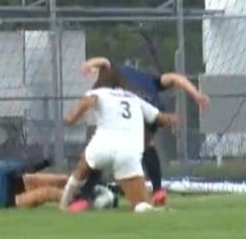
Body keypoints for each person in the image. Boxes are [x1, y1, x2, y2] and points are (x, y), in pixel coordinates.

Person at [73, 57, 208, 209]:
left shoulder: (113, 76)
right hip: (153, 106)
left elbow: (104, 62)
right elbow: (175, 78)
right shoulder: (152, 80)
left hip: (134, 106)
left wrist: (89, 64)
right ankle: (157, 190)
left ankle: (84, 196)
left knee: (102, 147)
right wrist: (196, 94)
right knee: (147, 145)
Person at [59, 65, 179, 213]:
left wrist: (70, 118)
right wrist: (174, 119)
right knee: (141, 204)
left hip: (102, 146)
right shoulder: (133, 98)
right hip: (128, 153)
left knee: (82, 168)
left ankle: (66, 203)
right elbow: (160, 118)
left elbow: (88, 102)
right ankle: (153, 209)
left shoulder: (98, 92)